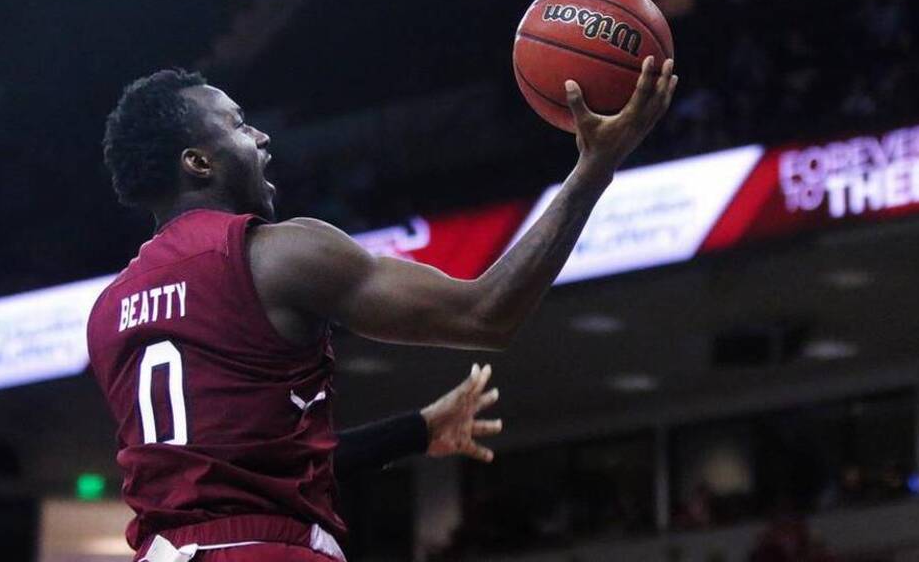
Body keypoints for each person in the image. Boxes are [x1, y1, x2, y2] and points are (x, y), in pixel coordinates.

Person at [87, 57, 677, 561]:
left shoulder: (109, 312)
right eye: (239, 126)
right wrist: (593, 169)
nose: (262, 138)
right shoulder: (277, 255)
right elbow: (486, 313)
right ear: (198, 163)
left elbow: (252, 466)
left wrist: (414, 432)